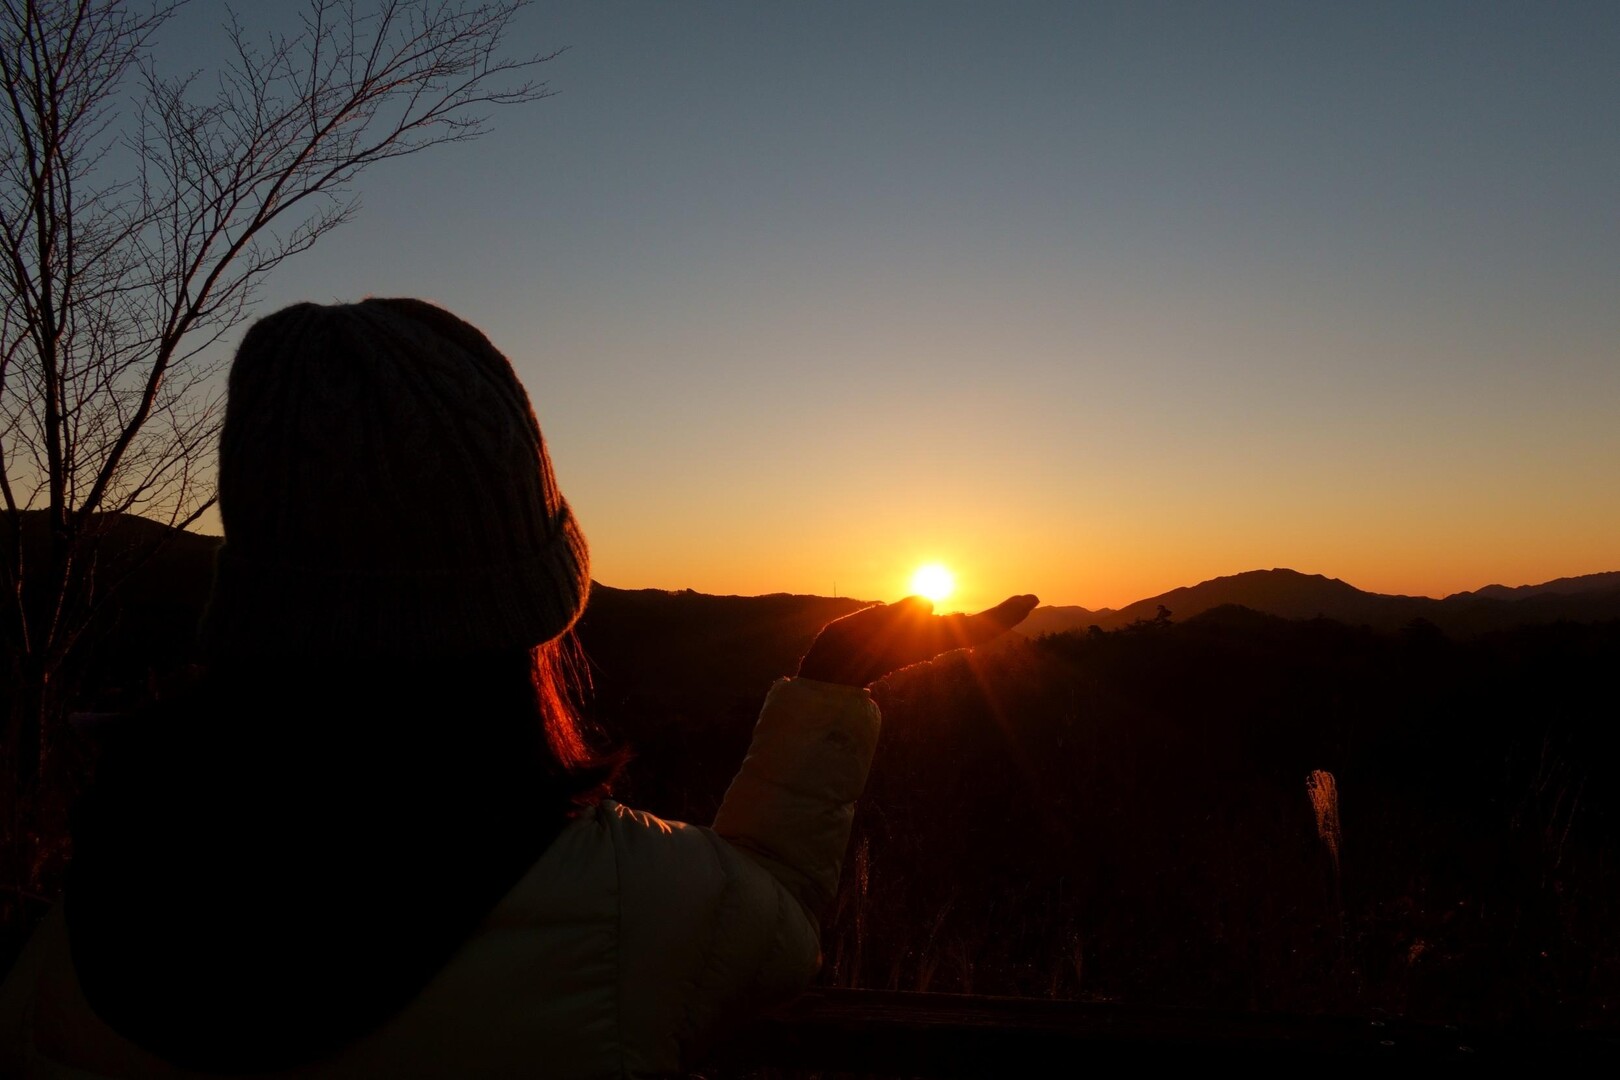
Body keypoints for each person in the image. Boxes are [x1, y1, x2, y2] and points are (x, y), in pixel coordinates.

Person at [0, 298, 1036, 1077]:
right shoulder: (629, 907)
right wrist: (826, 685)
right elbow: (779, 922)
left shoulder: (85, 901)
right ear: (528, 606)